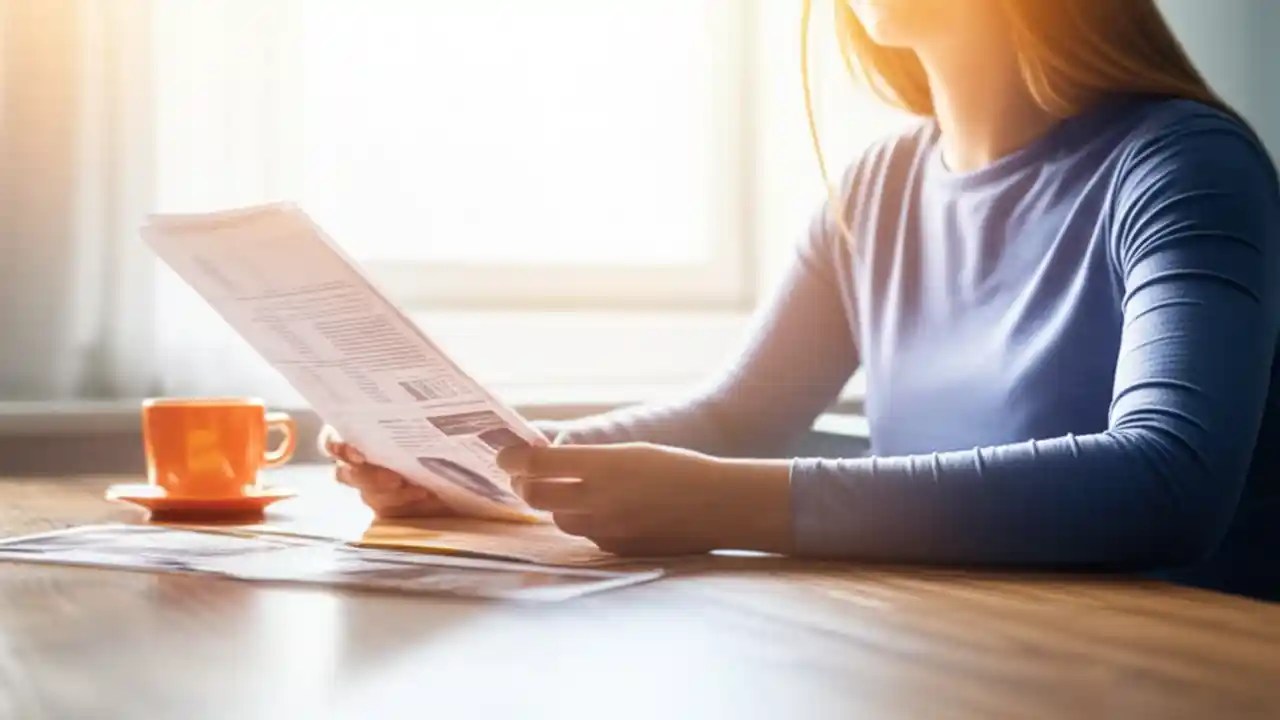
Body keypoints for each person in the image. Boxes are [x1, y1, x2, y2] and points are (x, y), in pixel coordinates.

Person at [326, 0, 1280, 599]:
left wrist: (724, 506)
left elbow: (1169, 483)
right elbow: (740, 416)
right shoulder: (875, 187)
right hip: (958, 650)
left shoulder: (1182, 168)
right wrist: (484, 467)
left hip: (1164, 678)